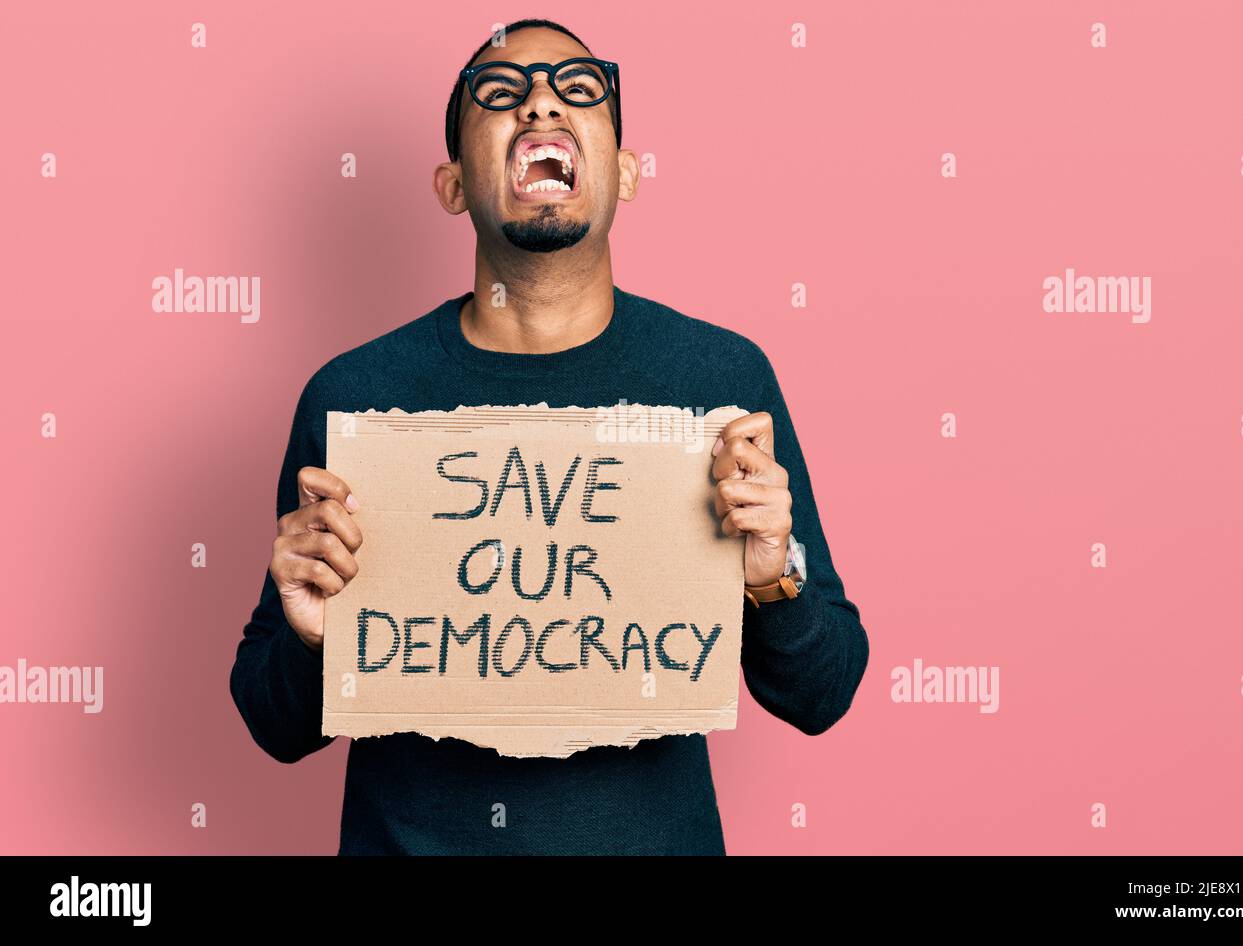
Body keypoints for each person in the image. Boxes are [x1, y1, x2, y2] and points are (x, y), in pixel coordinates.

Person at [229, 18, 869, 855]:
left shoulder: (718, 383)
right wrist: (314, 635)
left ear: (626, 172)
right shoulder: (356, 399)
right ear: (453, 183)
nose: (539, 105)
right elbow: (275, 725)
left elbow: (823, 693)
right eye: (499, 95)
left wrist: (769, 580)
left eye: (578, 89)